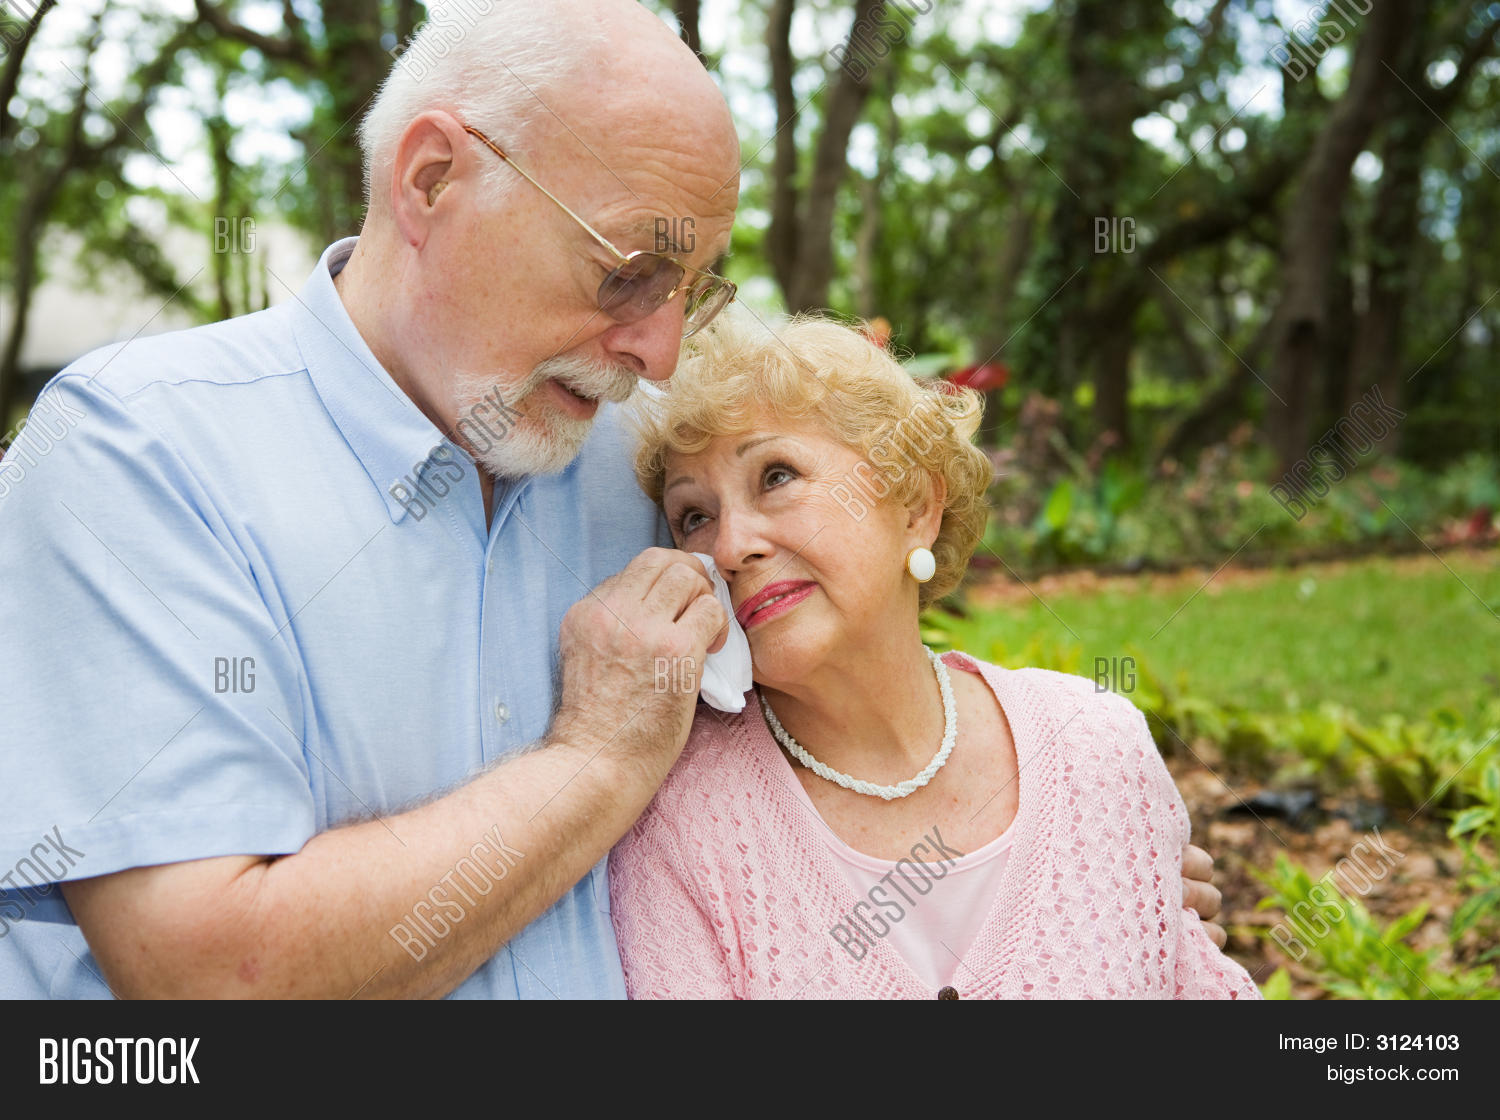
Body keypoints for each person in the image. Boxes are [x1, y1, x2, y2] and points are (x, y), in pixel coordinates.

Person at [0, 0, 1220, 999]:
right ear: (431, 179)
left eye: (690, 288)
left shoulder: (648, 456)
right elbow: (213, 980)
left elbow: (845, 681)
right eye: (629, 270)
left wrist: (1079, 843)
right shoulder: (137, 453)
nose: (658, 349)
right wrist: (594, 762)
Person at [610, 311, 1256, 999]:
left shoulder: (1096, 744)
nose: (732, 547)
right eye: (695, 517)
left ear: (916, 505)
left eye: (776, 476)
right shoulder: (682, 819)